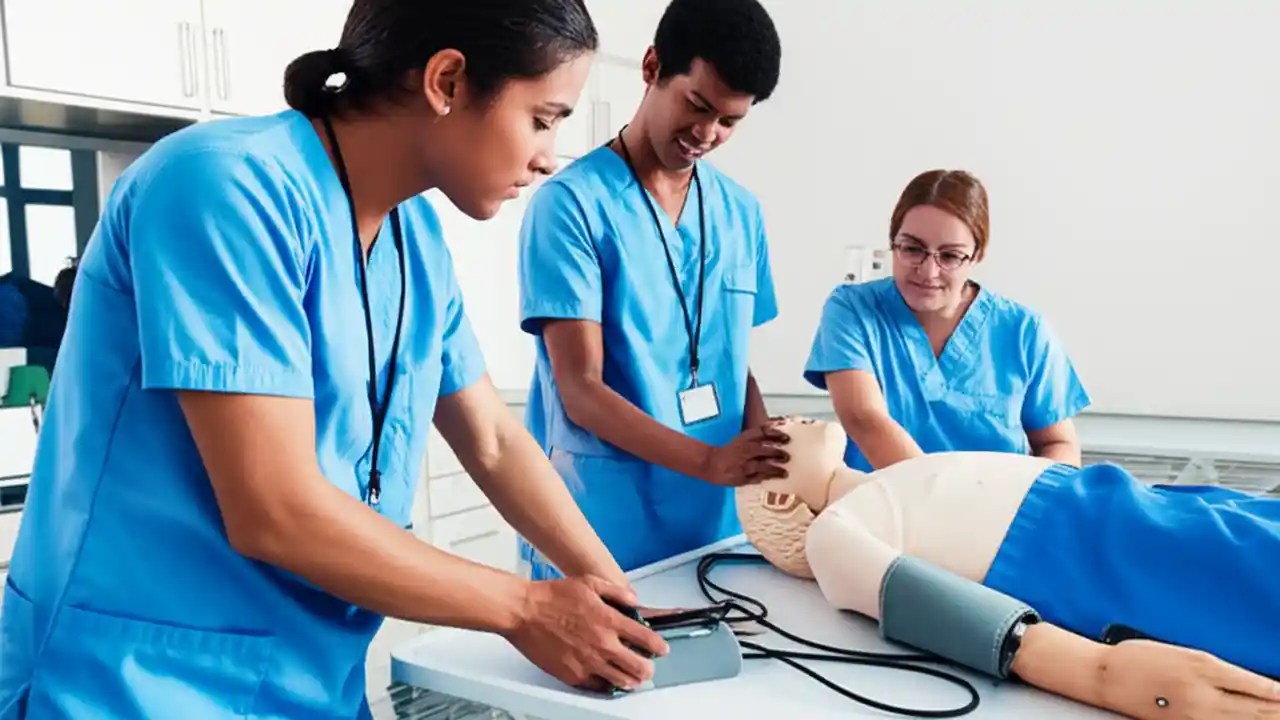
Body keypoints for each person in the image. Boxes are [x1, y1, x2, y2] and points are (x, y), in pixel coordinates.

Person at [0, 3, 671, 718]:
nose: (548, 155)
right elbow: (274, 510)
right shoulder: (220, 186)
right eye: (543, 118)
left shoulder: (414, 237)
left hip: (310, 676)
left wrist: (619, 603)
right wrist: (526, 609)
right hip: (134, 681)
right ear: (447, 80)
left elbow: (493, 440)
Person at [737, 417, 1280, 720]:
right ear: (781, 503)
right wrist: (1106, 675)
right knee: (1248, 575)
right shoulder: (838, 533)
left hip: (1115, 500)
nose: (776, 422)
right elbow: (935, 605)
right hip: (1077, 549)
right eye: (763, 450)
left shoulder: (887, 479)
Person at [515, 0, 790, 580]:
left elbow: (731, 361)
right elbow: (581, 390)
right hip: (604, 526)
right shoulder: (570, 209)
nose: (706, 134)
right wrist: (712, 460)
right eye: (696, 105)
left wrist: (767, 453)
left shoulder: (741, 213)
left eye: (730, 122)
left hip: (718, 530)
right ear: (651, 66)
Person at [803, 170, 1091, 471]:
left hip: (997, 512)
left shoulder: (1023, 332)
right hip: (882, 509)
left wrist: (1031, 501)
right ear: (893, 244)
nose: (928, 272)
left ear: (977, 255)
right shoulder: (854, 310)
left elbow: (1058, 443)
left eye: (950, 256)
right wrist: (941, 505)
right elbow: (863, 417)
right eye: (912, 249)